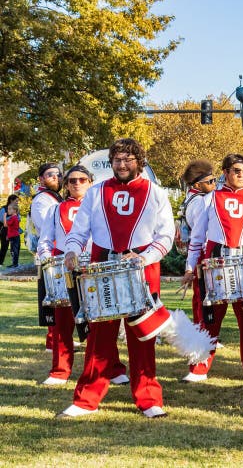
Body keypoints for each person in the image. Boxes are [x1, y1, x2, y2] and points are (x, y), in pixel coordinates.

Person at [59, 138, 174, 418]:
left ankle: (149, 399)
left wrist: (144, 257)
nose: (122, 165)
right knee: (100, 335)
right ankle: (86, 399)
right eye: (117, 159)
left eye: (128, 159)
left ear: (139, 161)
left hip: (142, 267)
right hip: (103, 266)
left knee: (143, 337)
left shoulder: (156, 193)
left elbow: (166, 236)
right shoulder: (96, 191)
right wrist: (72, 249)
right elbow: (79, 230)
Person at [37, 165, 127, 386]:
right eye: (72, 180)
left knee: (101, 323)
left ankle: (113, 369)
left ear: (90, 182)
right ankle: (60, 370)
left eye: (82, 179)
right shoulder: (55, 210)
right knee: (62, 323)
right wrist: (49, 260)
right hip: (65, 270)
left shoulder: (102, 208)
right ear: (66, 185)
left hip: (93, 269)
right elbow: (45, 241)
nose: (77, 183)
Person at [181, 154, 243, 382]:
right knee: (208, 319)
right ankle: (199, 367)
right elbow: (197, 238)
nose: (240, 175)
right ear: (225, 172)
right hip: (215, 264)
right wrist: (190, 268)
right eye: (236, 170)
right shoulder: (208, 199)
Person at [175, 159, 217, 336]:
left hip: (195, 249)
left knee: (198, 295)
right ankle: (203, 331)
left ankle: (198, 329)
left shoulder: (190, 198)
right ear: (198, 184)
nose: (215, 184)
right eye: (210, 181)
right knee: (203, 294)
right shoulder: (201, 201)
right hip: (201, 250)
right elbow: (203, 231)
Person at [31, 164, 64, 351]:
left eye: (59, 175)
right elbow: (47, 228)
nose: (56, 178)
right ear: (41, 179)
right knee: (53, 299)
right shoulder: (42, 199)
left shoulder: (55, 197)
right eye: (50, 175)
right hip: (50, 253)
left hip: (58, 252)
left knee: (61, 299)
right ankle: (53, 342)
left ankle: (59, 338)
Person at [0, 194, 19, 265]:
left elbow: (18, 218)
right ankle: (0, 262)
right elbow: (1, 219)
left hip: (13, 231)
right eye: (16, 201)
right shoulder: (3, 209)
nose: (17, 202)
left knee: (14, 248)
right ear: (11, 200)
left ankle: (15, 263)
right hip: (4, 231)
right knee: (4, 246)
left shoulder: (16, 209)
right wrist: (11, 219)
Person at [4, 204, 21, 268]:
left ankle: (15, 264)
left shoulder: (13, 218)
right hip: (14, 236)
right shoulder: (15, 217)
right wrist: (8, 236)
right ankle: (15, 263)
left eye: (9, 209)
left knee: (13, 251)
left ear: (14, 210)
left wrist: (4, 216)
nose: (8, 211)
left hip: (14, 237)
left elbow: (5, 225)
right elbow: (12, 228)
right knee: (13, 250)